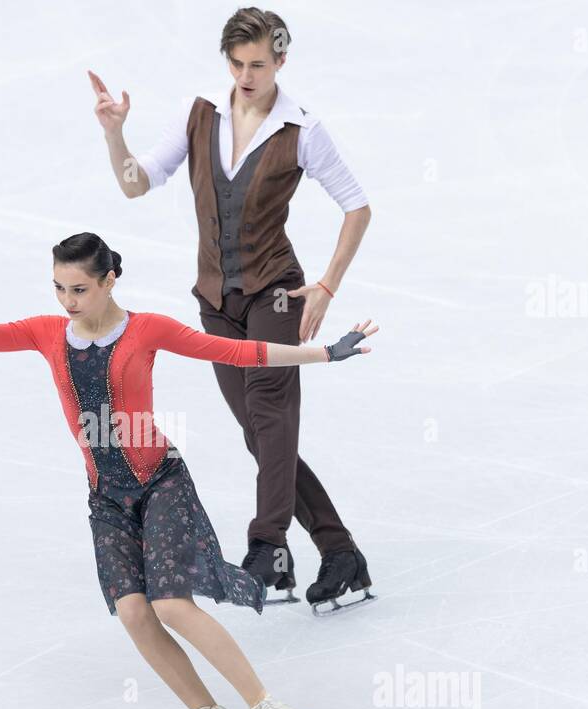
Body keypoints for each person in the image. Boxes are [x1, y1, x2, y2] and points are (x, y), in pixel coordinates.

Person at [0, 226, 378, 709]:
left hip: (160, 483)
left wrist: (322, 354)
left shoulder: (147, 330)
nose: (68, 302)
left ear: (109, 280)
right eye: (58, 289)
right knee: (133, 613)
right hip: (107, 497)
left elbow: (238, 350)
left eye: (79, 289)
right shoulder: (48, 334)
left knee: (171, 604)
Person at [88, 6, 375, 613]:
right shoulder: (201, 116)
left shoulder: (302, 131)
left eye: (260, 65)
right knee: (259, 435)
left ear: (281, 62)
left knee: (271, 414)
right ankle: (340, 551)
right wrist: (115, 133)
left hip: (275, 292)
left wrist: (325, 286)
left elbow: (357, 206)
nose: (247, 76)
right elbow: (137, 183)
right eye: (238, 64)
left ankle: (267, 546)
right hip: (216, 300)